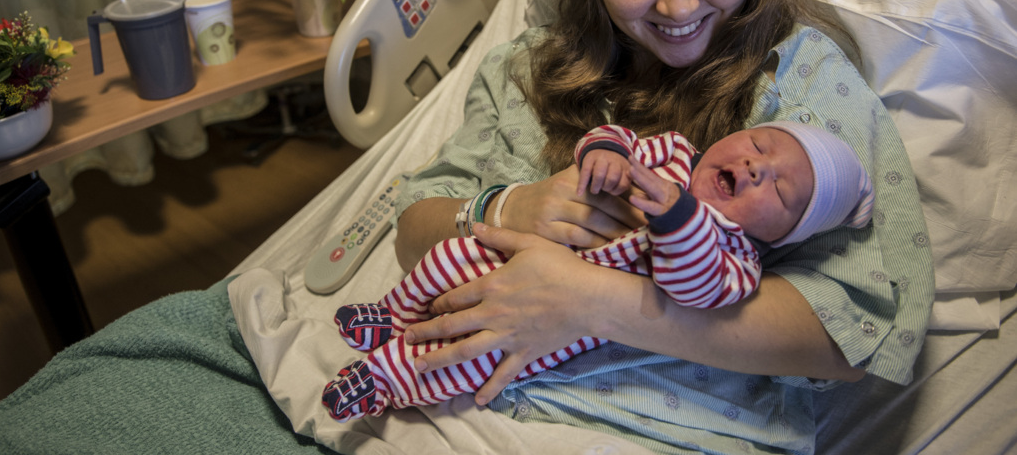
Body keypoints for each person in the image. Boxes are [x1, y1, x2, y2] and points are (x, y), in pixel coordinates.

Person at [385, 0, 933, 452]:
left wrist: (589, 301)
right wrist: (505, 206)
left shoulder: (800, 79)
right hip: (464, 401)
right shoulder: (527, 71)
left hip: (673, 431)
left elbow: (849, 332)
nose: (678, 5)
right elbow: (411, 233)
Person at [321, 120, 874, 422]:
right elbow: (620, 136)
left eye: (781, 189)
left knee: (472, 360)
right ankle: (393, 316)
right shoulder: (676, 153)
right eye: (760, 144)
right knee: (451, 257)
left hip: (563, 329)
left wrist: (678, 217)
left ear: (781, 236)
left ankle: (387, 381)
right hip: (517, 254)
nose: (757, 166)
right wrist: (603, 152)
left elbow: (693, 286)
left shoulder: (737, 262)